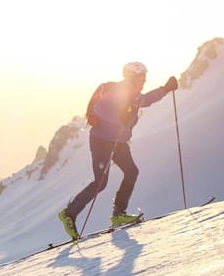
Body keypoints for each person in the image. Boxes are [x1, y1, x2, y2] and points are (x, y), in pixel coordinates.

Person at [58, 62, 178, 238]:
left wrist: (166, 89)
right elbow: (100, 108)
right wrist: (118, 117)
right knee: (101, 182)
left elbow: (148, 99)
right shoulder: (117, 91)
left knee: (131, 172)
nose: (145, 80)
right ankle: (69, 214)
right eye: (142, 77)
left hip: (118, 142)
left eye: (145, 77)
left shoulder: (135, 95)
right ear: (132, 76)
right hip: (101, 142)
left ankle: (118, 214)